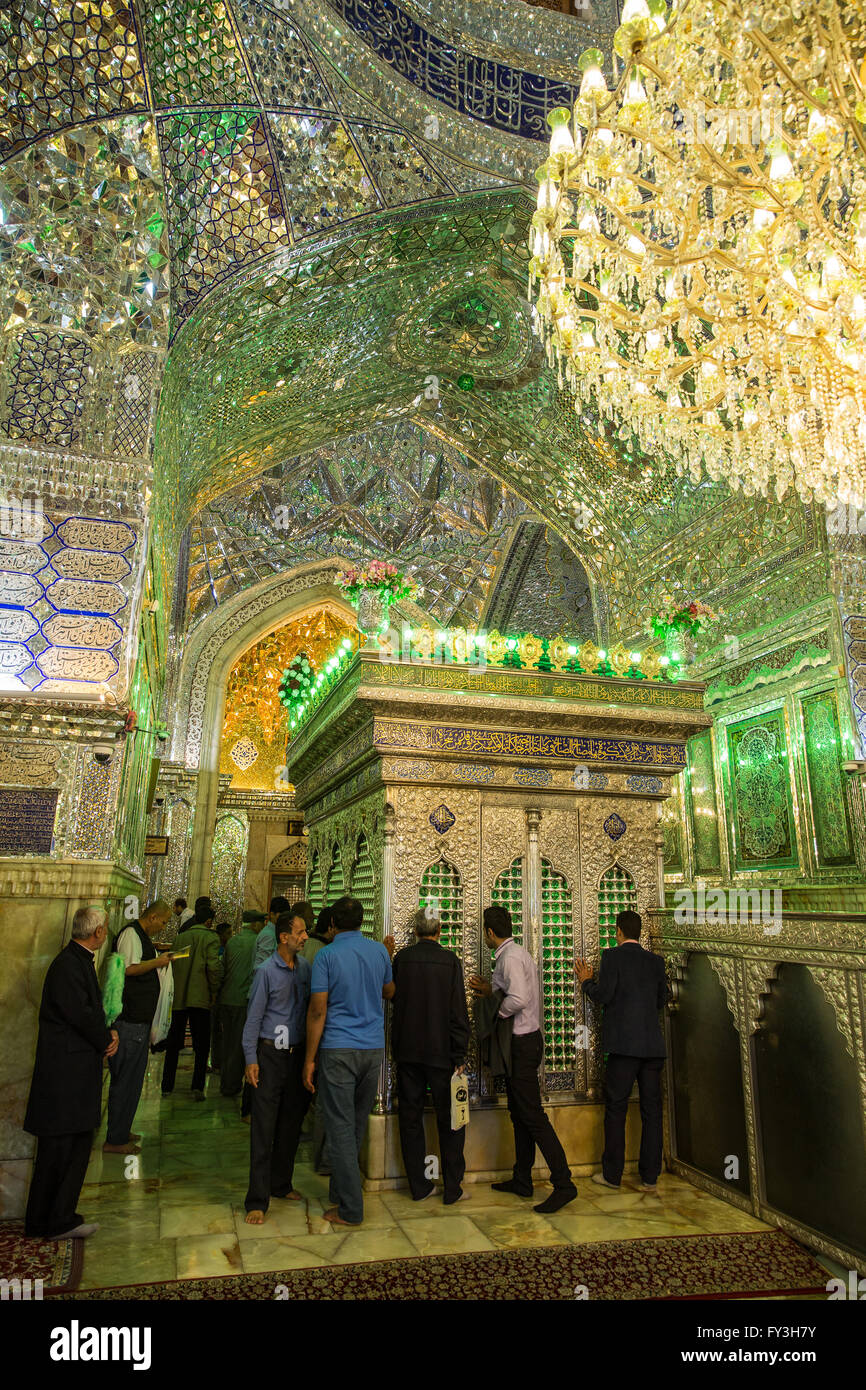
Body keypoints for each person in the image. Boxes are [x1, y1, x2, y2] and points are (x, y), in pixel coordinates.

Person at [469, 905, 577, 1214]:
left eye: (485, 933)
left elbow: (519, 999)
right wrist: (492, 990)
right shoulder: (514, 954)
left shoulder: (511, 958)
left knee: (532, 1116)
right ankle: (522, 1178)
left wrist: (497, 1013)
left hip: (522, 1044)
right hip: (524, 1043)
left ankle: (564, 1184)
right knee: (519, 1113)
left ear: (490, 933)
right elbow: (511, 990)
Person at [24, 906, 118, 1240]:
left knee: (68, 1147)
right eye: (105, 927)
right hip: (66, 1077)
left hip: (71, 1073)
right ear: (97, 932)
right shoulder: (69, 965)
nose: (105, 931)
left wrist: (107, 1032)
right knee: (61, 1150)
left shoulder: (76, 962)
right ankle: (52, 1220)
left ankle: (54, 1217)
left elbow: (88, 1012)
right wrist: (106, 1038)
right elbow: (81, 1014)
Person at [303, 895, 395, 1226]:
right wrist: (383, 962)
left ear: (332, 924)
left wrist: (309, 1059)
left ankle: (351, 1208)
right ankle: (341, 1193)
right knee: (354, 1125)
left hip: (338, 1050)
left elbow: (317, 1009)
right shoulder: (378, 951)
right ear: (361, 921)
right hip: (372, 1050)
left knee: (339, 1127)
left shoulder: (326, 956)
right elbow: (389, 991)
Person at [575, 908, 670, 1193]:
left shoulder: (612, 957)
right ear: (639, 933)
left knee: (616, 1108)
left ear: (618, 931)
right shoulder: (656, 961)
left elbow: (604, 995)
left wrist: (586, 982)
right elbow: (662, 999)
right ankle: (650, 1177)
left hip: (624, 1047)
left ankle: (613, 1175)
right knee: (652, 1111)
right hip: (652, 1047)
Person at [391, 907, 471, 1205]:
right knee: (450, 1119)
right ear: (439, 932)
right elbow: (456, 1010)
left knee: (410, 1118)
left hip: (408, 1052)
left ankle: (419, 1186)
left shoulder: (402, 960)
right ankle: (452, 1187)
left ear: (415, 932)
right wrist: (459, 1050)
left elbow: (395, 1002)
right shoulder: (450, 961)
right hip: (442, 1054)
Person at [243, 910, 312, 1224]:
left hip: (296, 1054)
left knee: (290, 1124)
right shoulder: (265, 972)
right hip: (270, 1055)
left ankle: (282, 1184)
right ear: (284, 937)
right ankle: (257, 1199)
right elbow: (254, 1019)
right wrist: (251, 1059)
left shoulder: (305, 969)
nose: (305, 937)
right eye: (300, 932)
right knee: (264, 1126)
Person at [103, 899, 172, 1154]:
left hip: (138, 1022)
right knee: (124, 1082)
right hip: (128, 1021)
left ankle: (121, 1130)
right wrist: (157, 962)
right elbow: (129, 969)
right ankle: (115, 1139)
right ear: (152, 917)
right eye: (163, 922)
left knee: (133, 1081)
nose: (163, 927)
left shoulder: (141, 936)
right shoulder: (131, 934)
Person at [161, 896, 223, 1100]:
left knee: (174, 1042)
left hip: (181, 996)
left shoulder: (181, 938)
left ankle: (167, 1085)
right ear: (208, 922)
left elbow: (176, 965)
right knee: (201, 1043)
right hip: (200, 997)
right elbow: (213, 968)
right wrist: (214, 991)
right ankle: (197, 1086)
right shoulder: (211, 938)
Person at [218, 910, 266, 1098]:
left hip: (227, 999)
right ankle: (231, 1085)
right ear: (255, 924)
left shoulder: (232, 941)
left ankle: (225, 1082)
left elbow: (223, 969)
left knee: (228, 1043)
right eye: (261, 923)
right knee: (239, 1045)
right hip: (242, 1001)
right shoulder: (257, 942)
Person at [252, 896, 291, 972]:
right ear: (272, 914)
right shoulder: (268, 935)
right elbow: (260, 966)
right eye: (281, 916)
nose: (284, 920)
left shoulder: (275, 933)